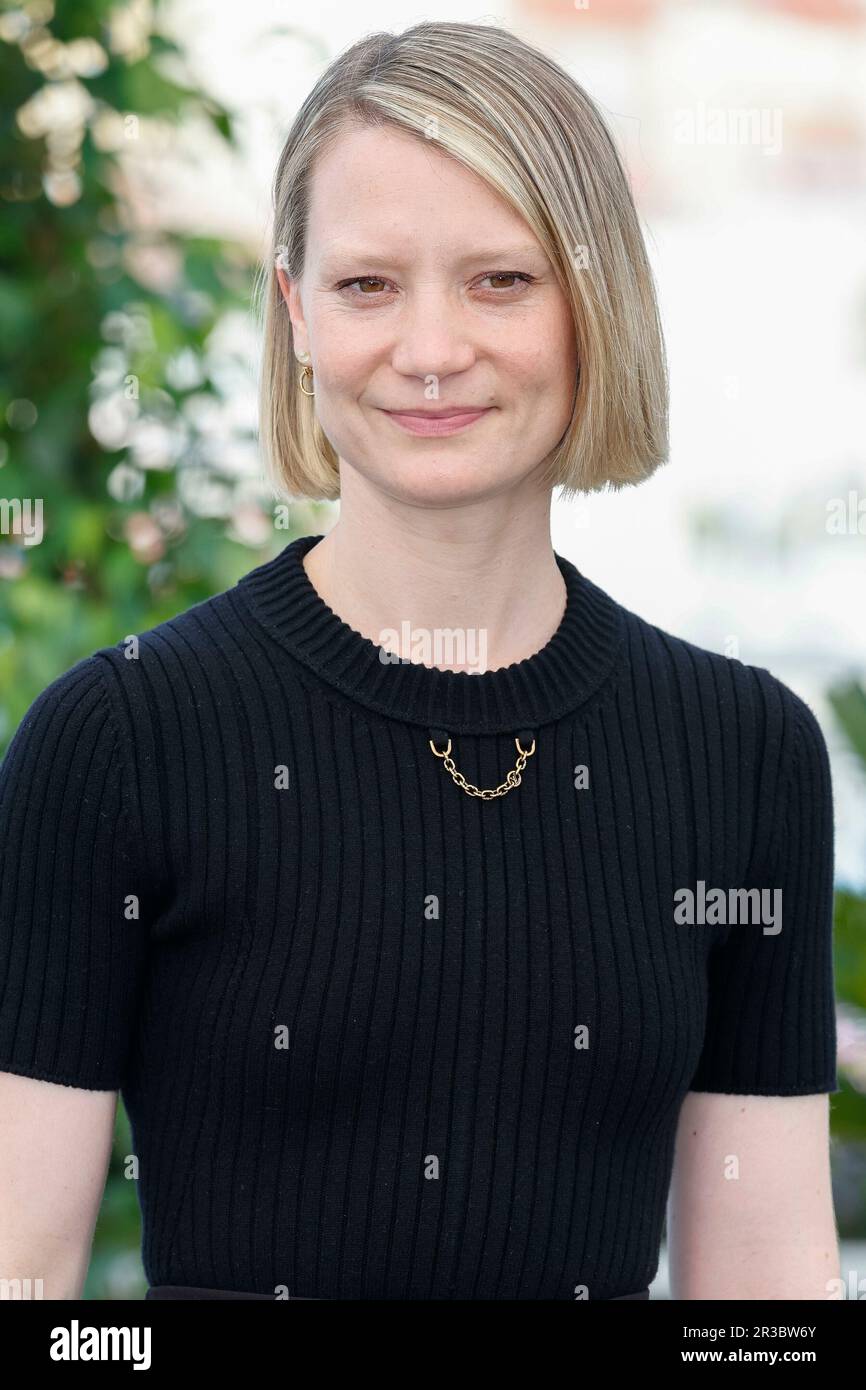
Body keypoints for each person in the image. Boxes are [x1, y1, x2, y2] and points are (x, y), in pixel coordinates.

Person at [0, 20, 839, 1302]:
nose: (431, 350)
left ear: (591, 299)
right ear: (293, 311)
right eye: (366, 284)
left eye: (499, 280)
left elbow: (763, 1292)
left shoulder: (745, 756)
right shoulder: (120, 743)